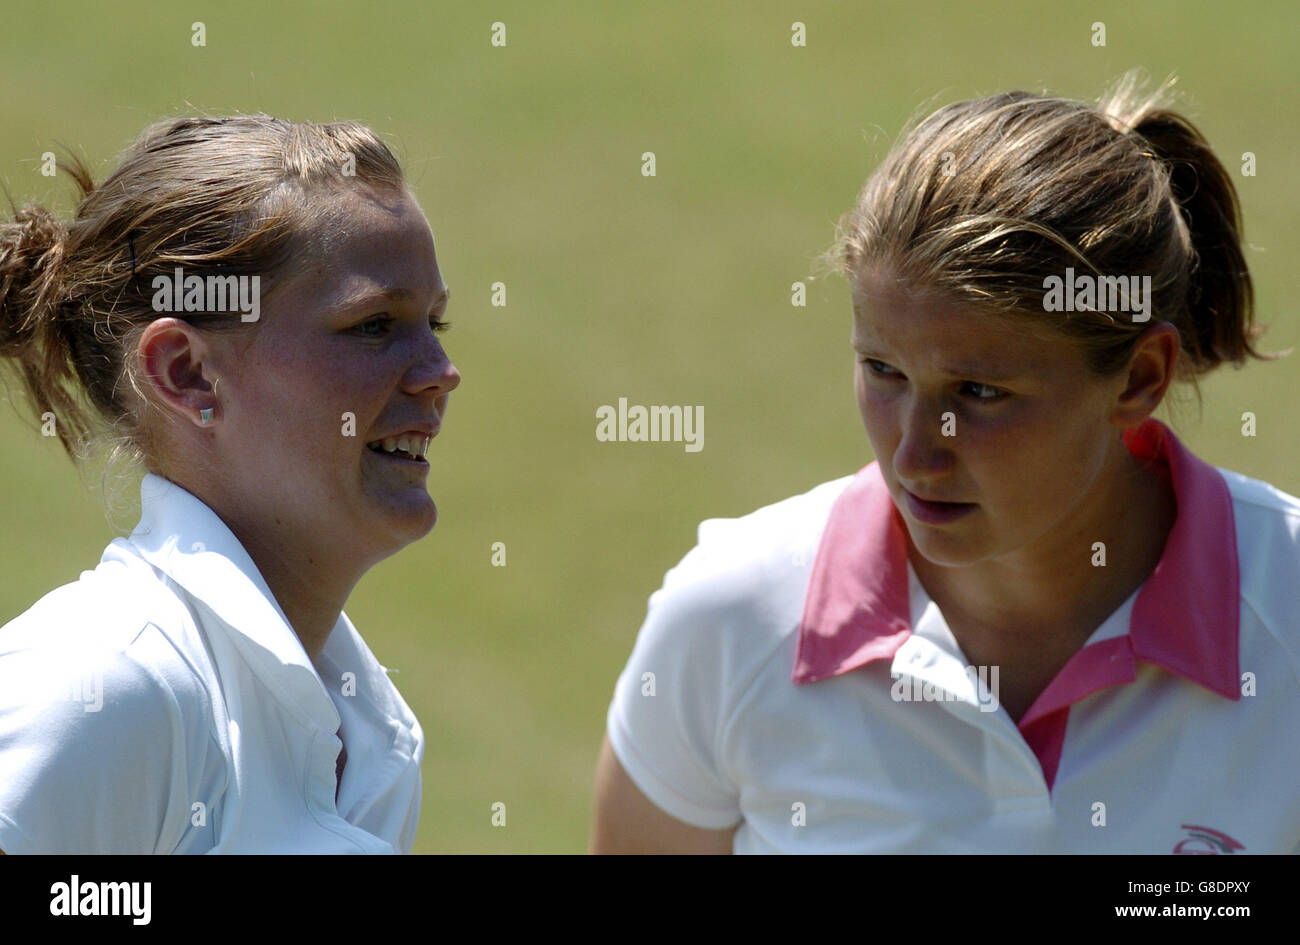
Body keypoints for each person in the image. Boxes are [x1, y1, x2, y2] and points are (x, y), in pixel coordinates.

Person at [590, 71, 1299, 854]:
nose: (915, 453)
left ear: (1139, 378)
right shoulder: (728, 618)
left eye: (981, 391)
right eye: (884, 372)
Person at [0, 115, 460, 853]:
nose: (440, 371)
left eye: (437, 323)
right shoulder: (103, 687)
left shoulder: (373, 738)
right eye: (375, 325)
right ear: (187, 372)